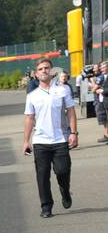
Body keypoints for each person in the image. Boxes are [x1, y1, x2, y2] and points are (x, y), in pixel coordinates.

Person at [23, 57, 79, 218]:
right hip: (40, 141)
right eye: (40, 69)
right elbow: (29, 118)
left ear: (52, 71)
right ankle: (46, 206)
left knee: (62, 171)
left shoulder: (62, 90)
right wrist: (26, 141)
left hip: (60, 139)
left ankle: (64, 190)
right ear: (36, 73)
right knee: (42, 176)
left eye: (46, 68)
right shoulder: (32, 96)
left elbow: (71, 112)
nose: (44, 71)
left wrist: (73, 133)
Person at [93, 62, 107, 143]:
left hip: (102, 100)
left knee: (104, 119)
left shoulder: (101, 77)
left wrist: (92, 81)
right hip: (102, 100)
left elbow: (93, 89)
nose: (94, 69)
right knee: (104, 119)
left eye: (96, 67)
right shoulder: (101, 76)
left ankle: (106, 135)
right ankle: (106, 135)